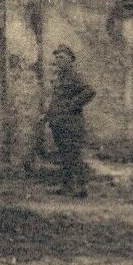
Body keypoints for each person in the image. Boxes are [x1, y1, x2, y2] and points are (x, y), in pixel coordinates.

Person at [45, 45, 96, 198]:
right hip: (59, 123)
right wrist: (47, 115)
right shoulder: (60, 78)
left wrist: (72, 105)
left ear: (70, 60)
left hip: (72, 124)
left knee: (74, 155)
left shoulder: (75, 76)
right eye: (57, 58)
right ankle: (67, 187)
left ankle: (81, 188)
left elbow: (90, 91)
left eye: (62, 58)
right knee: (64, 155)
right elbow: (56, 100)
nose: (58, 61)